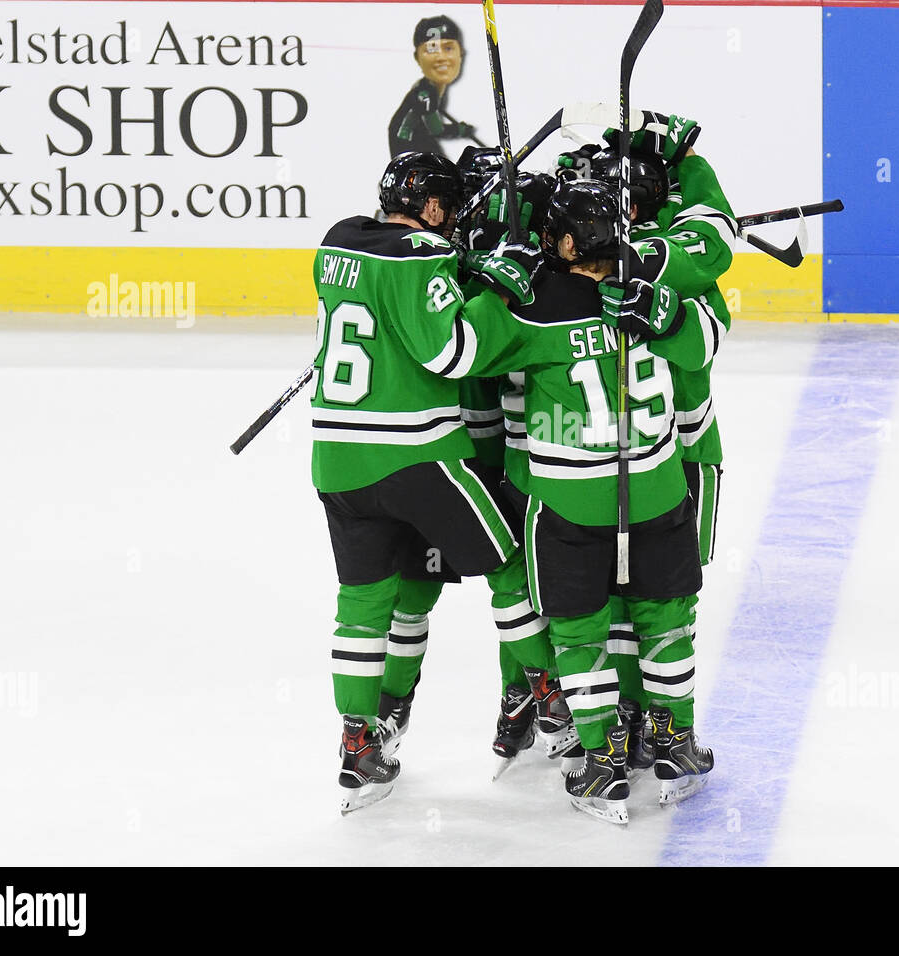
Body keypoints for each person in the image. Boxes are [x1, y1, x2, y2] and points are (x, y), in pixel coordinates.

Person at [461, 180, 726, 823]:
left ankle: (604, 761)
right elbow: (705, 345)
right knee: (666, 621)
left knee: (579, 633)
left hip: (570, 502)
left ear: (565, 243)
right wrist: (669, 314)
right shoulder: (654, 285)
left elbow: (462, 353)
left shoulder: (537, 305)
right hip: (658, 491)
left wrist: (494, 281)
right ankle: (674, 742)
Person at [311, 150, 547, 813]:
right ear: (436, 208)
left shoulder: (336, 243)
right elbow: (454, 353)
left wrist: (463, 267)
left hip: (337, 459)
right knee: (507, 560)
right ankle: (550, 694)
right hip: (416, 454)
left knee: (363, 604)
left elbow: (393, 293)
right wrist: (499, 290)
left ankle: (359, 742)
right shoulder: (425, 255)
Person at [388, 16, 481, 158]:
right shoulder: (425, 94)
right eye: (431, 49)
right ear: (417, 57)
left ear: (461, 53)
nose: (441, 57)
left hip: (420, 136)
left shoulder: (433, 89)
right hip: (407, 143)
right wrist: (460, 130)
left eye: (448, 48)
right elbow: (437, 130)